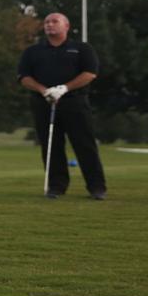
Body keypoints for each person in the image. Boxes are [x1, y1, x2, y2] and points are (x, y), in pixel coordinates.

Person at [18, 12, 105, 199]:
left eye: (54, 21)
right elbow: (24, 77)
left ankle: (96, 187)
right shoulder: (33, 51)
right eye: (47, 22)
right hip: (44, 103)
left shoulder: (81, 49)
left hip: (75, 102)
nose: (49, 24)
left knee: (84, 145)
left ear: (66, 26)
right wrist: (44, 91)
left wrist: (64, 88)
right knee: (51, 146)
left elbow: (90, 73)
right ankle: (56, 186)